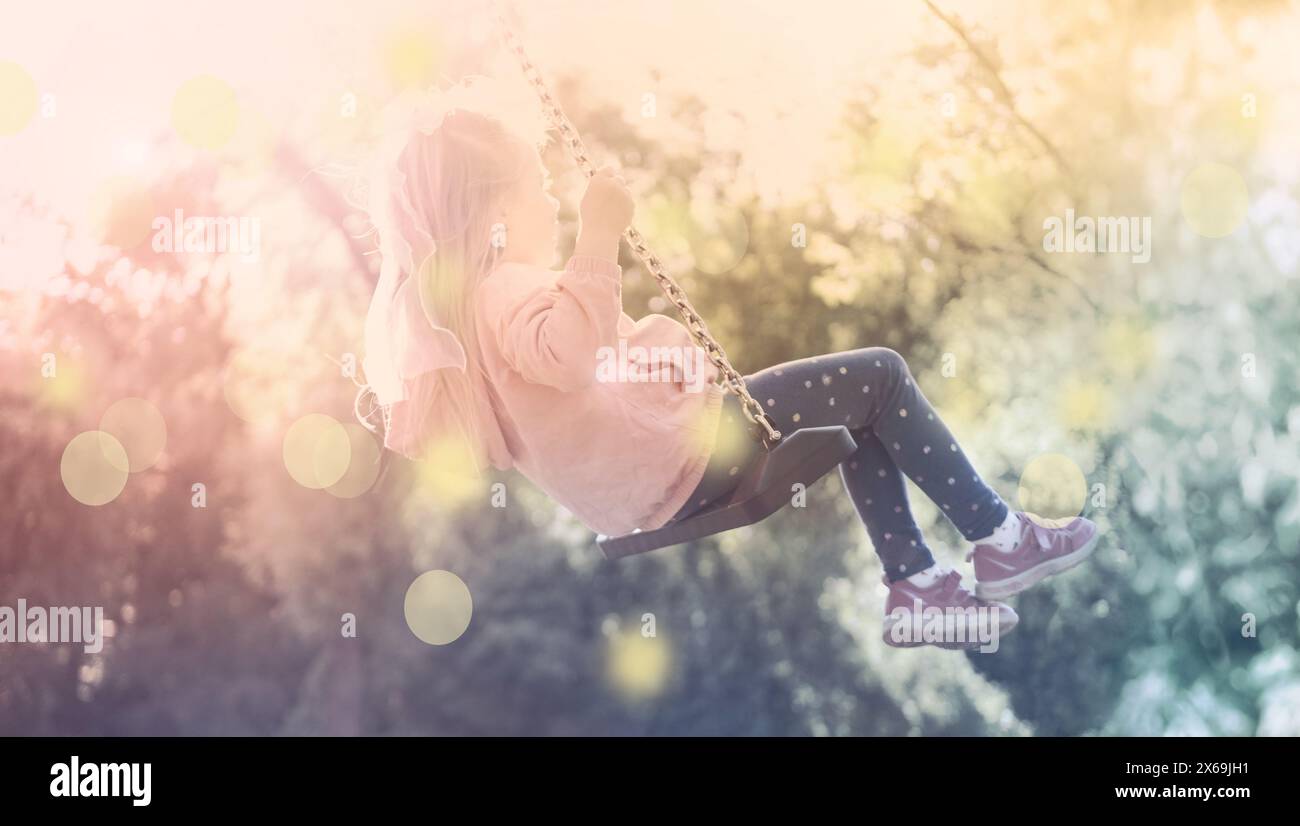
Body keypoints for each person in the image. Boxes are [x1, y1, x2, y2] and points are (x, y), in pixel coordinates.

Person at [360, 89, 1098, 650]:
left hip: (652, 487)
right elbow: (572, 355)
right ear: (489, 211)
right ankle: (1000, 542)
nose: (552, 196)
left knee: (858, 415)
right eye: (534, 185)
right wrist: (598, 232)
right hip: (685, 458)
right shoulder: (503, 291)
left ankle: (916, 590)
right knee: (881, 375)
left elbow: (582, 369)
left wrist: (650, 340)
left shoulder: (477, 319)